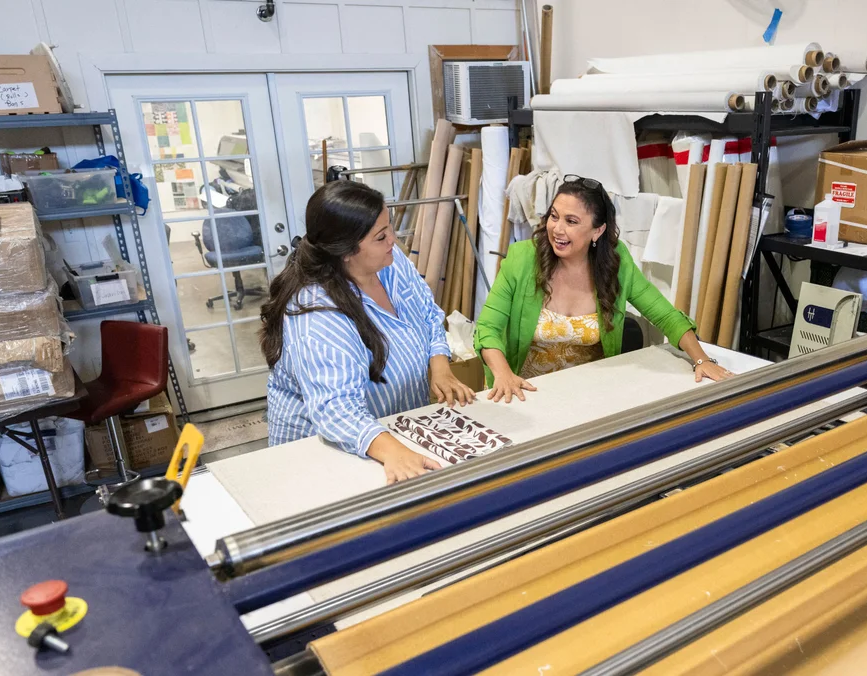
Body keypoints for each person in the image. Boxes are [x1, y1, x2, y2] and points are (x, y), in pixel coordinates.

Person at [260, 181, 475, 484]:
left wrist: (438, 363)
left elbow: (427, 311)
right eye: (381, 236)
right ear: (346, 251)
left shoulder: (388, 260)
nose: (393, 240)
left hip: (391, 428)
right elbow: (336, 411)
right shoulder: (317, 315)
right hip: (328, 449)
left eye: (390, 228)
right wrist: (390, 451)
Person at [475, 175, 733, 403]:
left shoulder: (616, 264)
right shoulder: (522, 259)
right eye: (554, 216)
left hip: (589, 394)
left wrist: (702, 360)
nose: (557, 229)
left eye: (571, 221)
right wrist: (503, 374)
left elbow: (664, 314)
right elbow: (488, 327)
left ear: (597, 231)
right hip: (523, 392)